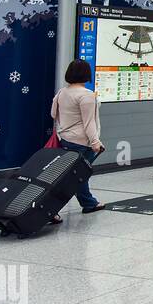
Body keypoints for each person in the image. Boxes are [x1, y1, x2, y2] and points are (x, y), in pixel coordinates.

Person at [47, 59, 106, 221]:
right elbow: (89, 123)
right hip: (82, 142)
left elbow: (53, 114)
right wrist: (95, 142)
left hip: (65, 138)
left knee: (76, 176)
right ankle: (50, 209)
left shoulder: (62, 92)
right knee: (74, 178)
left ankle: (88, 202)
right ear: (87, 75)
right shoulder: (86, 95)